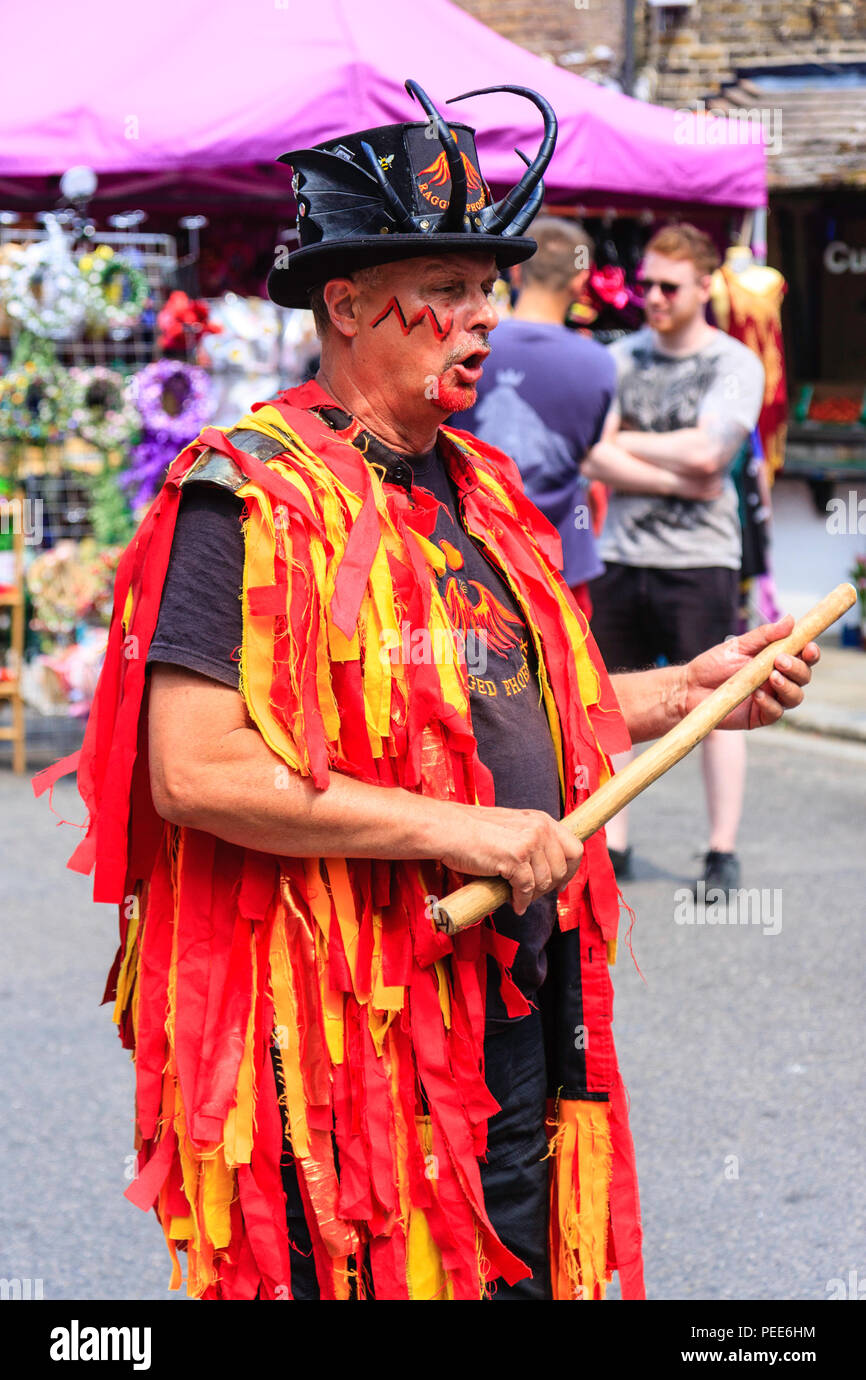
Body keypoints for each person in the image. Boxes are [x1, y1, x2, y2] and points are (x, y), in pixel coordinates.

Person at [34, 87, 817, 1302]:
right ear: (343, 306)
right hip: (346, 1057)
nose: (477, 319)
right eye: (443, 289)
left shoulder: (476, 489)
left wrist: (685, 688)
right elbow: (195, 771)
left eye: (483, 288)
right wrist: (462, 829)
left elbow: (514, 694)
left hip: (503, 1021)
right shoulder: (243, 498)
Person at [585, 223, 766, 889]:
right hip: (619, 554)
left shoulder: (735, 362)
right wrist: (676, 474)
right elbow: (590, 452)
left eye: (668, 286)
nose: (653, 298)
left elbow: (711, 454)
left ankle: (721, 851)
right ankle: (615, 840)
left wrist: (631, 445)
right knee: (609, 703)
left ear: (705, 286)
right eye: (646, 285)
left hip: (700, 559)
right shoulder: (616, 358)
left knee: (717, 703)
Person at [450, 215, 613, 619]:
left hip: (471, 549)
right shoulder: (599, 363)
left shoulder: (468, 346)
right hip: (561, 558)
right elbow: (591, 450)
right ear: (580, 281)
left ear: (517, 271)